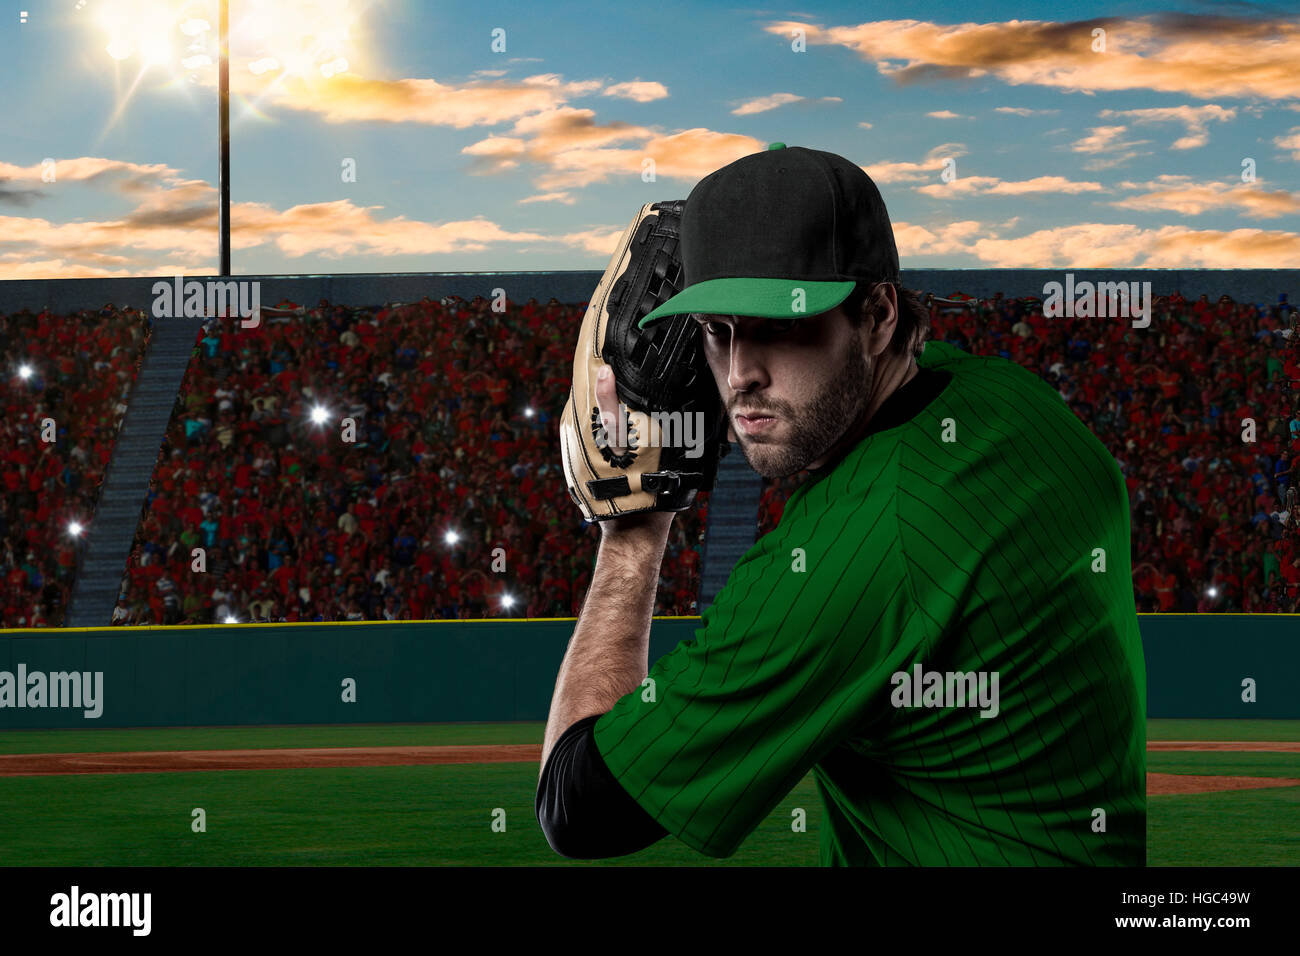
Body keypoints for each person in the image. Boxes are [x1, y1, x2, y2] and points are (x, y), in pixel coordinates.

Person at [536, 144, 1146, 865]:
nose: (739, 376)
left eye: (780, 325)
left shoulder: (850, 557)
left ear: (878, 314)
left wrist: (634, 533)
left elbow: (576, 810)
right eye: (716, 330)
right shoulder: (1019, 405)